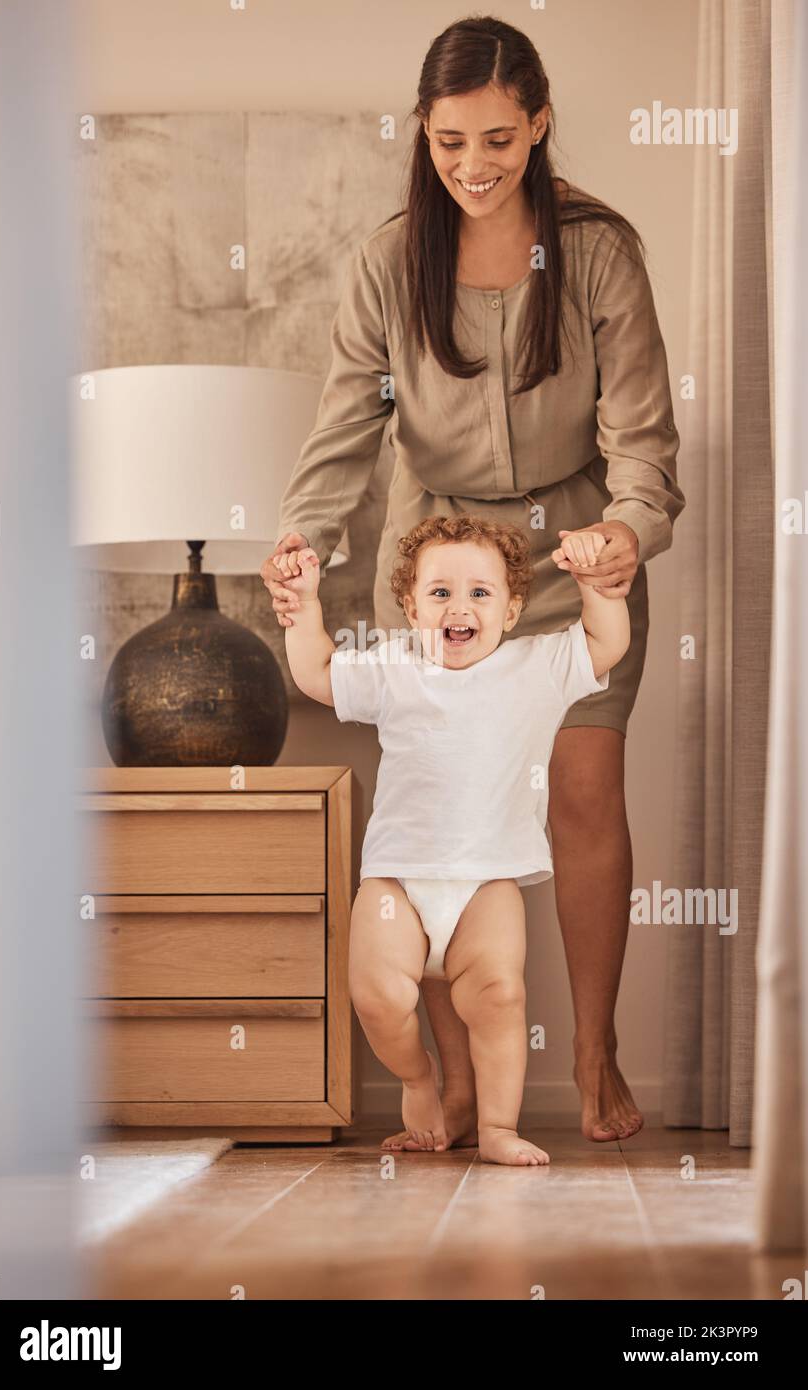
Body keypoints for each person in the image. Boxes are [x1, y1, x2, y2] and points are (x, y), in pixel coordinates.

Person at [261, 15, 685, 1147]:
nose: (475, 165)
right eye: (451, 141)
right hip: (438, 567)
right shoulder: (389, 260)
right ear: (424, 131)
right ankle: (454, 1087)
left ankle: (590, 1058)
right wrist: (302, 537)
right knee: (447, 801)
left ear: (539, 123)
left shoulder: (597, 250)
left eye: (498, 138)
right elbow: (344, 428)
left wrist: (626, 533)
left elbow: (642, 440)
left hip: (569, 558)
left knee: (585, 788)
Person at [274, 514, 630, 1165]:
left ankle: (497, 1127)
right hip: (397, 884)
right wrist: (303, 607)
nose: (458, 607)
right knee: (377, 995)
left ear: (512, 607)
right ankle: (418, 1079)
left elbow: (605, 644)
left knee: (499, 996)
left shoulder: (536, 667)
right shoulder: (394, 668)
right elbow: (318, 673)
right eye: (439, 593)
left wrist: (595, 585)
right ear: (410, 606)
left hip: (488, 883)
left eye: (480, 593)